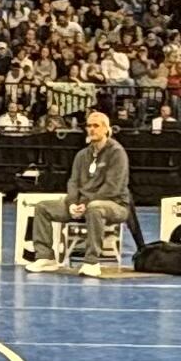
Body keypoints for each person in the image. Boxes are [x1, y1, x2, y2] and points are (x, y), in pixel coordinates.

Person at [61, 106, 133, 266]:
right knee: (44, 208)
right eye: (89, 126)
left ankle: (91, 261)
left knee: (95, 208)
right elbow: (73, 182)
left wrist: (84, 204)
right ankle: (44, 257)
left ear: (106, 129)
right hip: (82, 203)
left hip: (116, 205)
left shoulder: (117, 153)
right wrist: (72, 203)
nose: (91, 129)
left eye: (96, 126)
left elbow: (112, 188)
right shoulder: (81, 155)